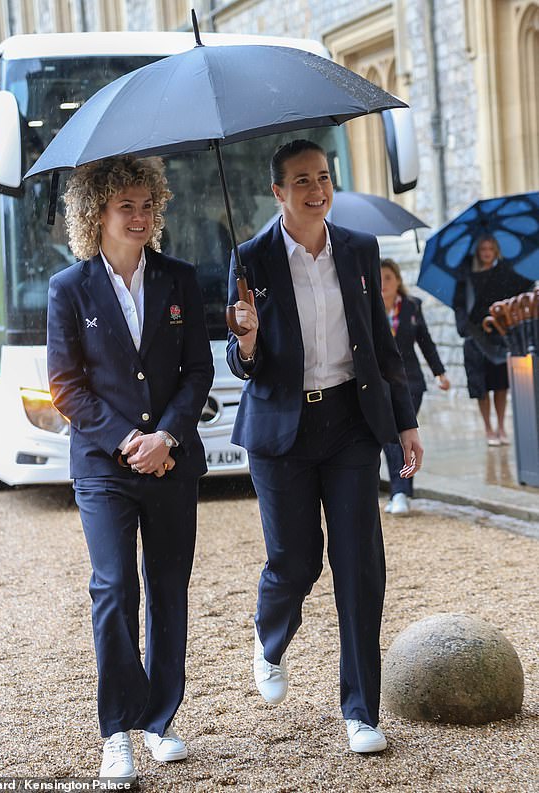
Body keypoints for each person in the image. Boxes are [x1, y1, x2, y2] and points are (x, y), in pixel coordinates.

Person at [226, 139, 423, 754]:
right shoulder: (250, 258)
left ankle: (361, 710)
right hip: (280, 432)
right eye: (302, 181)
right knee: (296, 560)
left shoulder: (361, 252)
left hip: (350, 424)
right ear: (278, 193)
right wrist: (249, 339)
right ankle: (270, 637)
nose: (318, 189)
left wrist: (404, 422)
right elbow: (241, 364)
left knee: (360, 564)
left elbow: (381, 349)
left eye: (324, 177)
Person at [47, 155, 214, 784]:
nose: (141, 217)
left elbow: (199, 369)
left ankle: (160, 720)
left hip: (173, 460)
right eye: (127, 207)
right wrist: (129, 441)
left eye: (148, 205)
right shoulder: (70, 290)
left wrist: (166, 435)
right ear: (98, 214)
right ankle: (117, 730)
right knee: (116, 588)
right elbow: (66, 387)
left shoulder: (180, 278)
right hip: (104, 467)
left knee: (169, 590)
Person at [381, 258, 450, 515]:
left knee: (403, 435)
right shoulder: (368, 308)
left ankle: (400, 493)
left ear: (398, 279)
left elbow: (426, 342)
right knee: (392, 436)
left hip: (411, 383)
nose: (383, 283)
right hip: (381, 384)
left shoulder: (411, 307)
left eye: (388, 277)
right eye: (378, 278)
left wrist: (439, 373)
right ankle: (401, 492)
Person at [453, 234, 534, 446]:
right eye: (483, 249)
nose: (487, 253)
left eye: (490, 249)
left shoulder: (504, 273)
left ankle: (500, 426)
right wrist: (464, 328)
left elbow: (522, 290)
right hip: (474, 337)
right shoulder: (466, 278)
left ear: (496, 251)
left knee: (500, 384)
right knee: (481, 386)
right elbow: (459, 305)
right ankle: (488, 427)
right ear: (478, 253)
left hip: (498, 337)